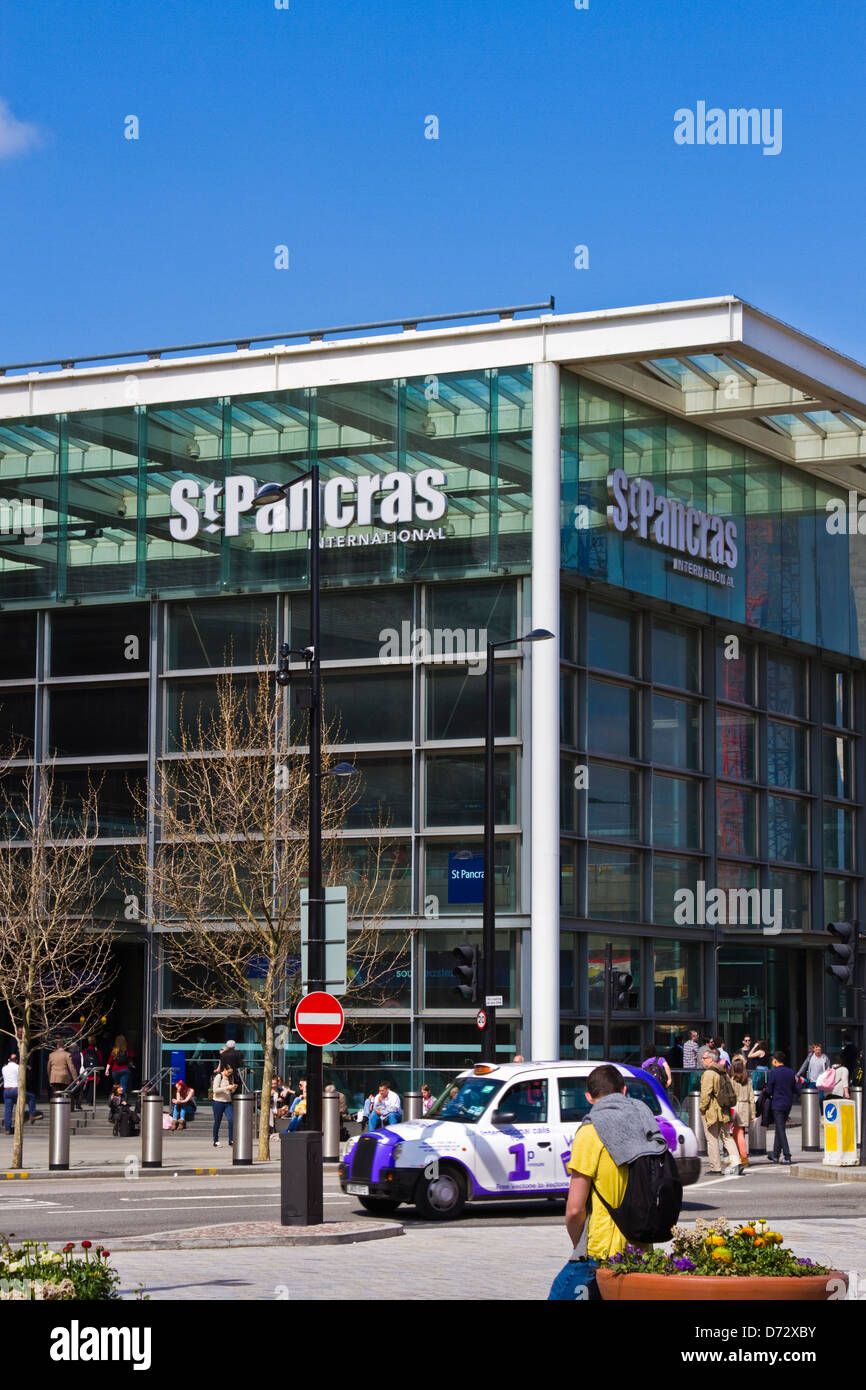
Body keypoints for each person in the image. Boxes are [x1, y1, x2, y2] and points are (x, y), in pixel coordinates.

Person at [548, 1063, 669, 1301]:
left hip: (600, 1251)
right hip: (642, 1249)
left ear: (589, 1098)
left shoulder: (590, 1132)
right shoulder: (647, 1125)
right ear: (624, 1091)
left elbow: (574, 1209)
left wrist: (579, 1247)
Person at [699, 1048, 742, 1175]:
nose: (702, 1060)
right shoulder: (722, 1071)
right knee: (727, 1137)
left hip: (712, 1110)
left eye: (704, 1058)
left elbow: (705, 1094)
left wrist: (702, 1108)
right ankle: (736, 1163)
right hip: (724, 1109)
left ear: (711, 1059)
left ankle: (715, 1167)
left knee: (712, 1139)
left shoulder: (708, 1074)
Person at [765, 1051, 797, 1164]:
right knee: (779, 1129)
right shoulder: (791, 1072)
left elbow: (769, 1090)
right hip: (787, 1103)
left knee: (781, 1130)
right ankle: (775, 1154)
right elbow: (795, 1089)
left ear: (775, 1060)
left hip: (777, 1104)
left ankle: (787, 1155)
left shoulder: (774, 1073)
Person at [2, 1054, 43, 1133]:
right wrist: (26, 1067)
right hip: (15, 1090)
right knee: (31, 1097)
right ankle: (32, 1114)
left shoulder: (4, 1068)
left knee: (8, 1110)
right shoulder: (18, 1067)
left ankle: (7, 1129)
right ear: (17, 1060)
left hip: (6, 1091)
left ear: (9, 1060)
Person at [730, 1054, 756, 1168]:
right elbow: (751, 1098)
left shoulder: (732, 1080)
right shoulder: (748, 1080)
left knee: (736, 1132)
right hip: (745, 1107)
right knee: (740, 1131)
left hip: (734, 1106)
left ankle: (742, 1157)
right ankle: (741, 1156)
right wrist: (753, 1113)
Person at [212, 1065, 237, 1147]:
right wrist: (226, 1087)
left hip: (228, 1102)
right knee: (217, 1121)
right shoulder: (219, 1076)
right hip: (218, 1102)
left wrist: (233, 1088)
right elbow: (215, 1090)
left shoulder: (230, 1078)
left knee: (231, 1119)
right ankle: (216, 1140)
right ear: (224, 1069)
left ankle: (231, 1140)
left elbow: (231, 1092)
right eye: (229, 1072)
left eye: (231, 1072)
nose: (230, 1074)